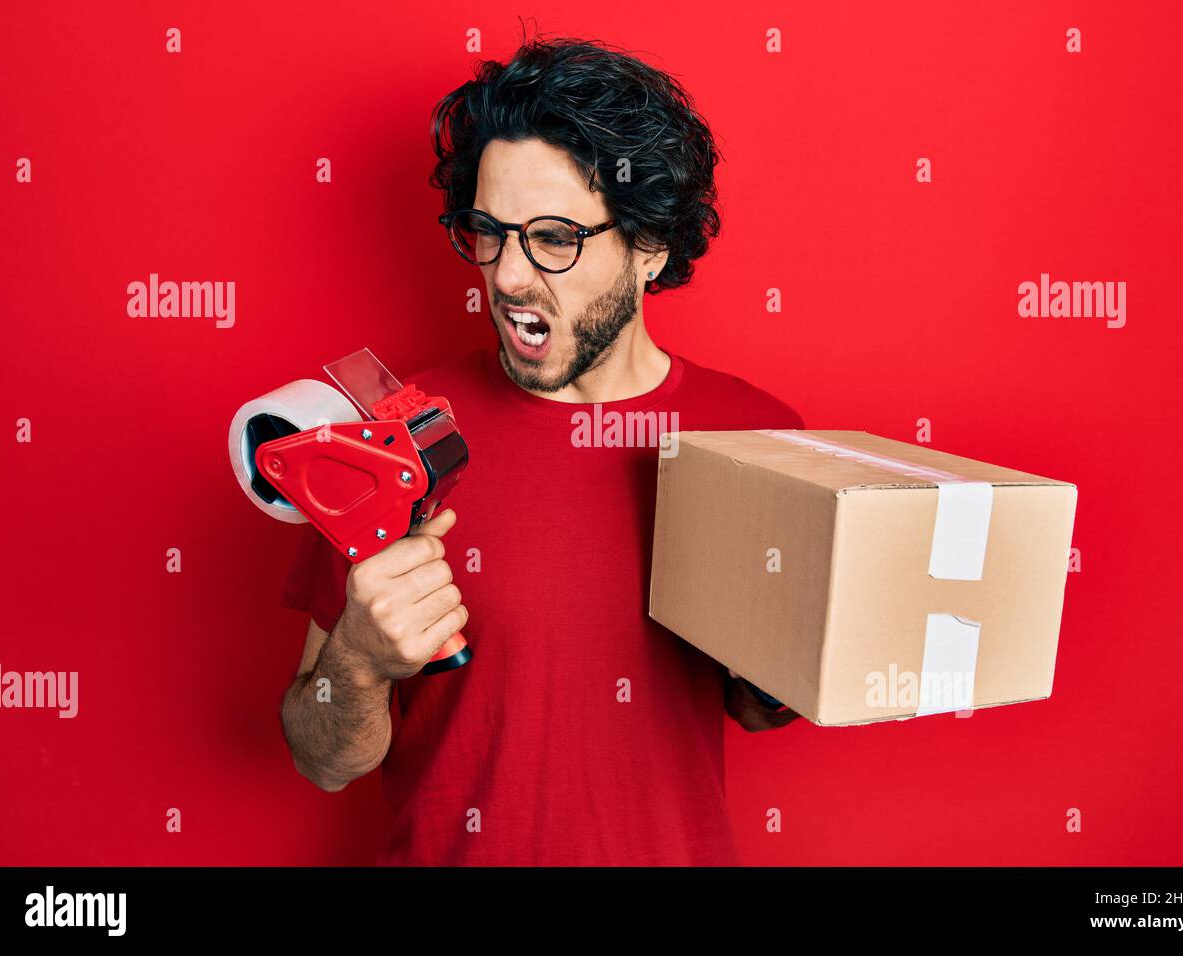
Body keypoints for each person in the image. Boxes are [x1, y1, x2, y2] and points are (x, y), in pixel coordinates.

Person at [279, 35, 803, 866]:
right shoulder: (388, 437)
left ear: (650, 245)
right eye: (489, 230)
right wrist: (358, 659)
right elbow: (321, 757)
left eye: (555, 237)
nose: (510, 276)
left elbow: (758, 705)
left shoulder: (759, 439)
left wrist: (784, 655)